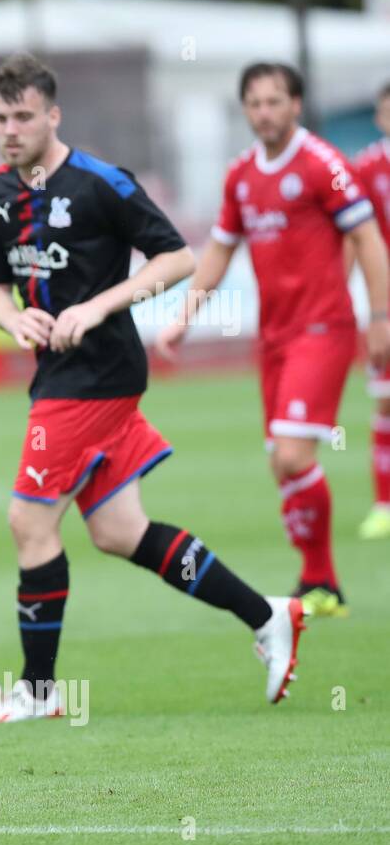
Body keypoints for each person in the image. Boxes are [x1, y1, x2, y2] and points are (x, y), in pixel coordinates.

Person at [0, 53, 302, 725]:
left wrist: (98, 306)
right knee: (121, 531)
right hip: (60, 374)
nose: (10, 129)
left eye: (23, 116)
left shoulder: (100, 183)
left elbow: (177, 256)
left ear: (53, 115)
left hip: (99, 376)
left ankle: (37, 691)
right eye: (0, 117)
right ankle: (269, 614)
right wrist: (12, 318)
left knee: (28, 522)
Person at [159, 63, 390, 614]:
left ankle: (324, 581)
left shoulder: (324, 166)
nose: (264, 112)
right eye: (255, 103)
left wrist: (379, 316)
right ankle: (320, 582)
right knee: (279, 463)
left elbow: (367, 237)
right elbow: (220, 249)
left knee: (292, 454)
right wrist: (185, 314)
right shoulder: (240, 174)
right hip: (276, 337)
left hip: (324, 329)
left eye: (274, 102)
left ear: (297, 105)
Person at [351, 81, 390, 540]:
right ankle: (384, 503)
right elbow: (352, 233)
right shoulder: (365, 167)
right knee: (385, 400)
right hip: (385, 300)